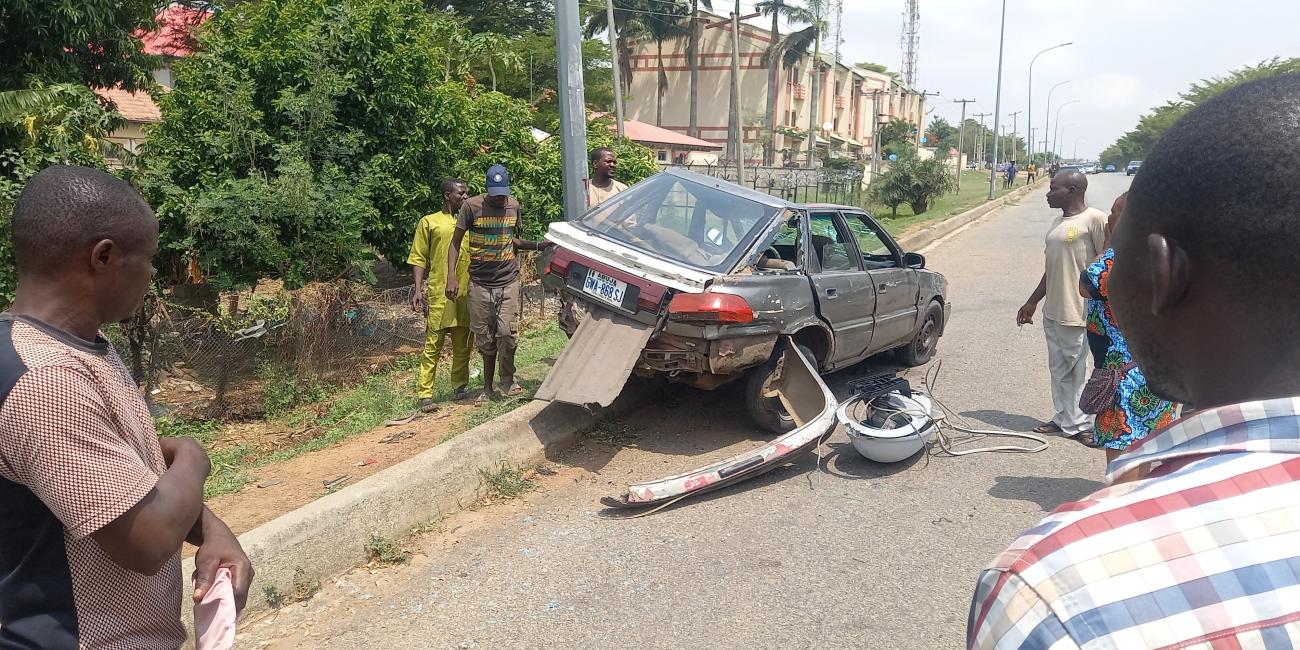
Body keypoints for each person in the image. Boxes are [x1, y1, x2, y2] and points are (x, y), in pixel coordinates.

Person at [969, 72, 1300, 649]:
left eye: (1120, 259)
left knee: (1124, 431)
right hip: (1101, 350)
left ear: (1163, 273)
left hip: (1116, 364)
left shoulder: (1057, 593)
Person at [0, 166, 252, 647]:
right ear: (104, 257)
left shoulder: (81, 347)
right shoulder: (47, 381)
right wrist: (195, 457)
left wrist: (212, 530)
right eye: (151, 259)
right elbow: (148, 538)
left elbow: (124, 478)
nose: (154, 274)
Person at [1078, 191, 1177, 476]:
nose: (1108, 219)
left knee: (1122, 457)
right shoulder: (1167, 255)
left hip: (1123, 377)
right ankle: (1139, 505)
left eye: (1114, 214)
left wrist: (1112, 242)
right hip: (1157, 372)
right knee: (1146, 447)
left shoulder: (1117, 261)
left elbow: (1085, 286)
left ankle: (1120, 509)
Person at [446, 164, 551, 403]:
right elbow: (455, 243)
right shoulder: (470, 207)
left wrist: (538, 245)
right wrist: (451, 276)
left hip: (508, 280)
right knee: (485, 338)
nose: (499, 198)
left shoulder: (513, 206)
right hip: (480, 283)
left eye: (503, 193)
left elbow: (510, 238)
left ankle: (507, 379)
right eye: (495, 194)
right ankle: (487, 387)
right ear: (487, 190)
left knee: (506, 333)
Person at [1015, 169, 1107, 438]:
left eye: (1053, 188)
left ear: (1072, 191)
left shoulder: (1095, 220)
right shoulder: (1057, 223)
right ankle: (1063, 417)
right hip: (1053, 310)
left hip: (1077, 311)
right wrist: (1032, 302)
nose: (1047, 193)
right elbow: (1052, 269)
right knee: (1059, 369)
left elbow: (1108, 263)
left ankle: (1081, 425)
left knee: (1077, 369)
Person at [408, 178, 473, 412]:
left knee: (463, 344)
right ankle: (425, 394)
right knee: (433, 344)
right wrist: (418, 289)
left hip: (466, 292)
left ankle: (460, 387)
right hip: (439, 292)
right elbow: (418, 257)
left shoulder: (470, 221)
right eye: (460, 194)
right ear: (447, 195)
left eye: (467, 193)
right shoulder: (429, 222)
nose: (465, 197)